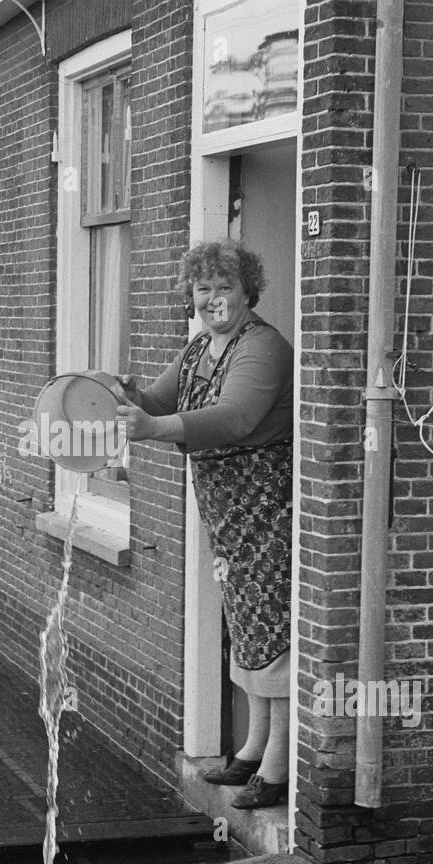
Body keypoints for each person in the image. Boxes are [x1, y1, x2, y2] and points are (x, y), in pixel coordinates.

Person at [116, 239, 293, 809]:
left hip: (268, 510)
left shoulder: (262, 346)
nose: (213, 298)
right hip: (227, 516)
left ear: (248, 292)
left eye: (224, 288)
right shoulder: (199, 349)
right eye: (202, 289)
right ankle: (251, 750)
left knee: (276, 627)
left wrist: (151, 428)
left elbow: (236, 418)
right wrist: (121, 393)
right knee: (247, 624)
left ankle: (278, 764)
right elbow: (160, 400)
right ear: (190, 298)